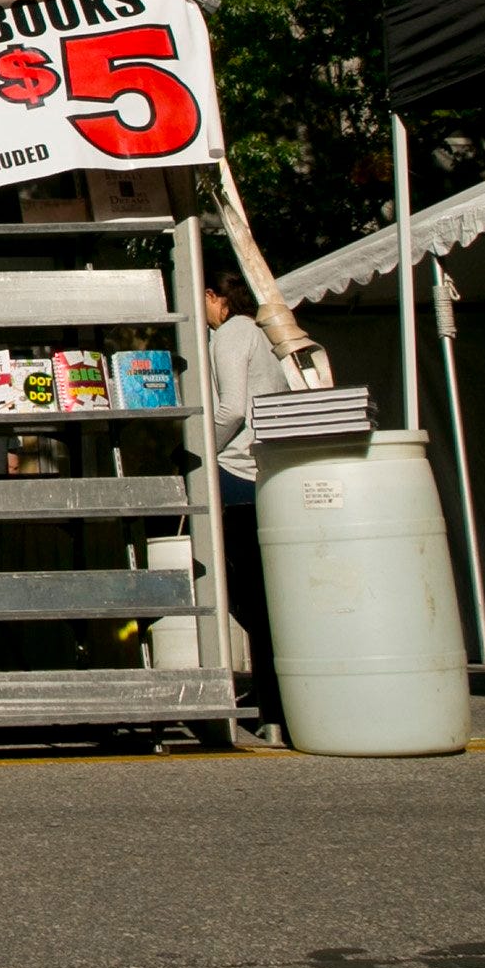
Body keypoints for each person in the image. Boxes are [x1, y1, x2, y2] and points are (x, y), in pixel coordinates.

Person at [204, 269, 292, 741]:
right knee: (262, 593)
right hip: (262, 472)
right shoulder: (258, 337)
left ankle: (270, 705)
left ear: (213, 297)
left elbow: (232, 407)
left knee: (242, 592)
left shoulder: (231, 333)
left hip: (235, 472)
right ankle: (272, 698)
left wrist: (201, 454)